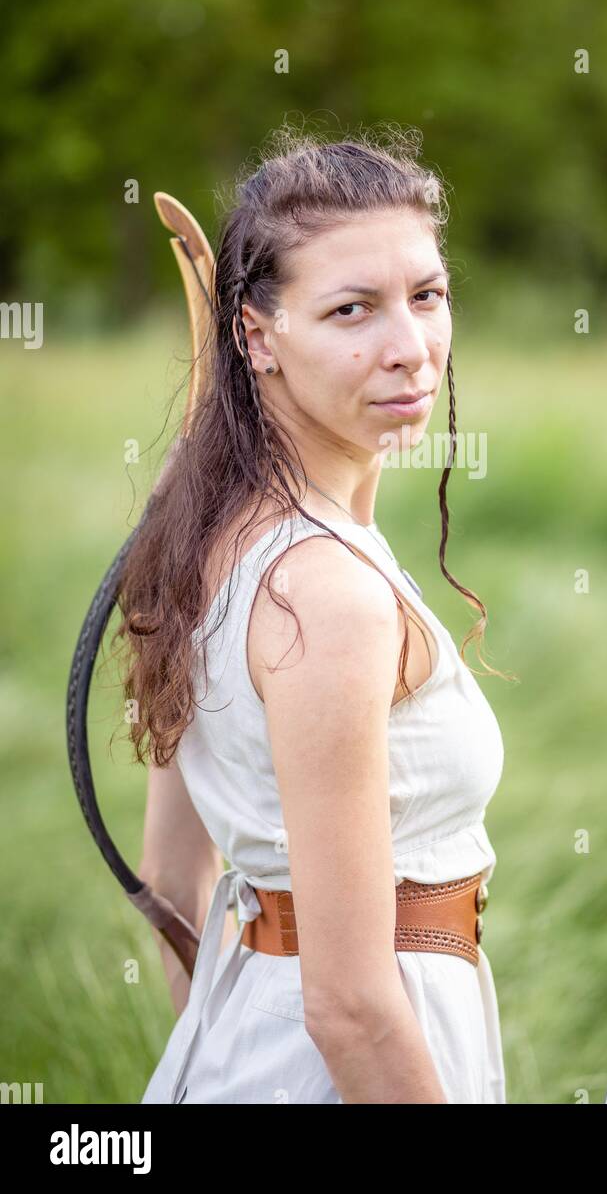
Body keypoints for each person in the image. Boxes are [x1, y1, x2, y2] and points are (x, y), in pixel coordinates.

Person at [119, 124, 512, 1103]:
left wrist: (233, 1051)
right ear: (257, 335)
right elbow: (349, 1007)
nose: (408, 346)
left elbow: (172, 883)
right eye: (350, 310)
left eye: (425, 295)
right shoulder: (324, 592)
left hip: (239, 1047)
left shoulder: (205, 522)